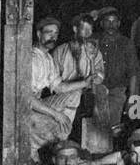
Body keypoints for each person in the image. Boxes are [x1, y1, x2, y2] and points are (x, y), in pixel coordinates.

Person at [28, 17, 102, 157]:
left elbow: (59, 87)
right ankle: (36, 149)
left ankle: (62, 141)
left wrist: (85, 82)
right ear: (39, 34)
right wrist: (56, 115)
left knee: (75, 94)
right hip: (26, 108)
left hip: (38, 104)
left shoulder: (47, 57)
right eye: (49, 33)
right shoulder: (33, 58)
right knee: (52, 125)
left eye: (55, 33)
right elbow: (27, 98)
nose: (53, 37)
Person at [94, 6, 140, 127]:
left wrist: (133, 98)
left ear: (119, 24)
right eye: (107, 21)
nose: (111, 25)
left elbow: (134, 72)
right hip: (96, 90)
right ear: (101, 23)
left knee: (115, 127)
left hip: (118, 91)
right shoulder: (94, 42)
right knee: (96, 126)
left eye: (114, 21)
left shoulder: (126, 43)